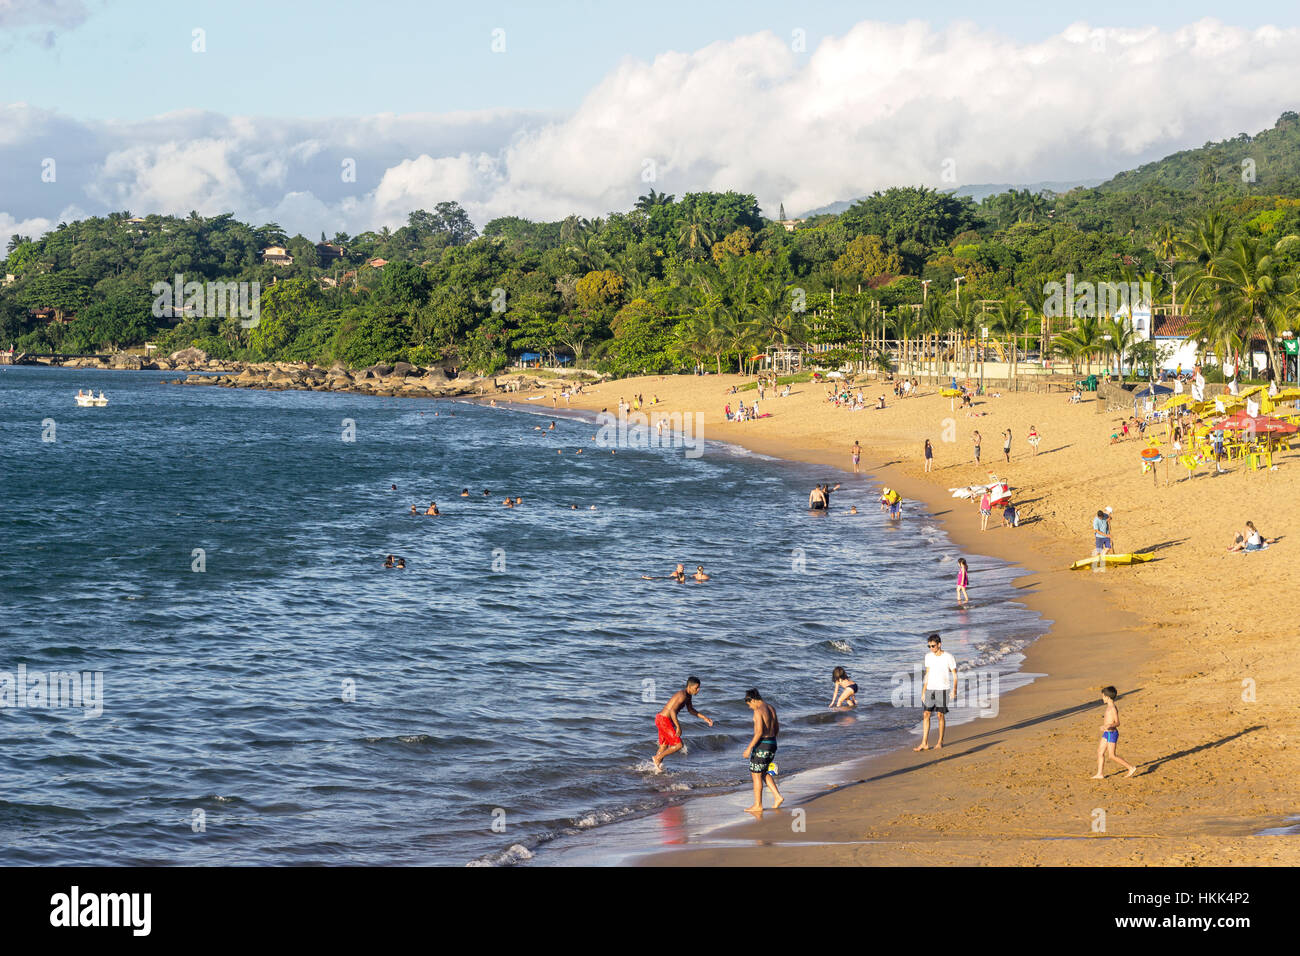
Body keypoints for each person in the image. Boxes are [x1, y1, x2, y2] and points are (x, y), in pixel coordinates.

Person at [653, 677, 714, 772]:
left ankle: (656, 768)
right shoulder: (682, 695)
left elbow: (691, 710)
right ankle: (657, 758)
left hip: (661, 719)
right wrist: (678, 726)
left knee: (664, 746)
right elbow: (672, 710)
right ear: (689, 687)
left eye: (699, 688)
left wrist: (705, 718)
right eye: (696, 688)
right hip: (664, 720)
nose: (698, 690)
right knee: (678, 745)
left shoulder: (688, 696)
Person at [742, 689, 782, 813]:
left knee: (756, 775)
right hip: (772, 743)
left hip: (762, 745)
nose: (750, 707)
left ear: (753, 700)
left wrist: (749, 748)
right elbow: (776, 728)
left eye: (749, 704)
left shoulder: (758, 711)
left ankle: (758, 805)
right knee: (763, 772)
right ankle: (777, 796)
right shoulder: (771, 708)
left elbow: (759, 732)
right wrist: (770, 742)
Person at [914, 634, 956, 751]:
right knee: (926, 714)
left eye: (933, 646)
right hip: (930, 689)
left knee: (940, 715)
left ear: (939, 644)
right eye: (929, 646)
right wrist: (923, 691)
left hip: (943, 688)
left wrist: (954, 689)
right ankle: (924, 743)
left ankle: (940, 741)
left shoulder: (948, 657)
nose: (931, 648)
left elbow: (954, 674)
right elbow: (927, 674)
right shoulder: (928, 657)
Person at [1091, 686, 1138, 778]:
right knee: (1100, 752)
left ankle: (1131, 767)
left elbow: (1118, 722)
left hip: (1112, 734)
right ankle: (1100, 774)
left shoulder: (1112, 708)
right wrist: (1105, 727)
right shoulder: (1109, 707)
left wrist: (1108, 725)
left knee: (1112, 755)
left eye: (1103, 696)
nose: (1102, 698)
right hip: (1107, 733)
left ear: (1107, 697)